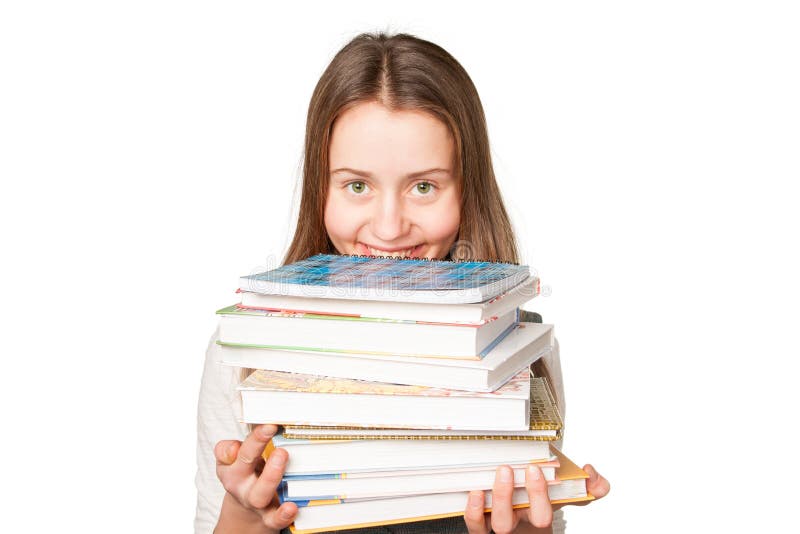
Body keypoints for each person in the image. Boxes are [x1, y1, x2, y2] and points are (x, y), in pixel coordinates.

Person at [195, 32, 610, 534]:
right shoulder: (242, 352)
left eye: (423, 186)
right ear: (320, 190)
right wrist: (245, 513)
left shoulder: (518, 345)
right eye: (357, 185)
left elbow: (543, 521)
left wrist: (529, 530)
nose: (389, 228)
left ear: (466, 191)